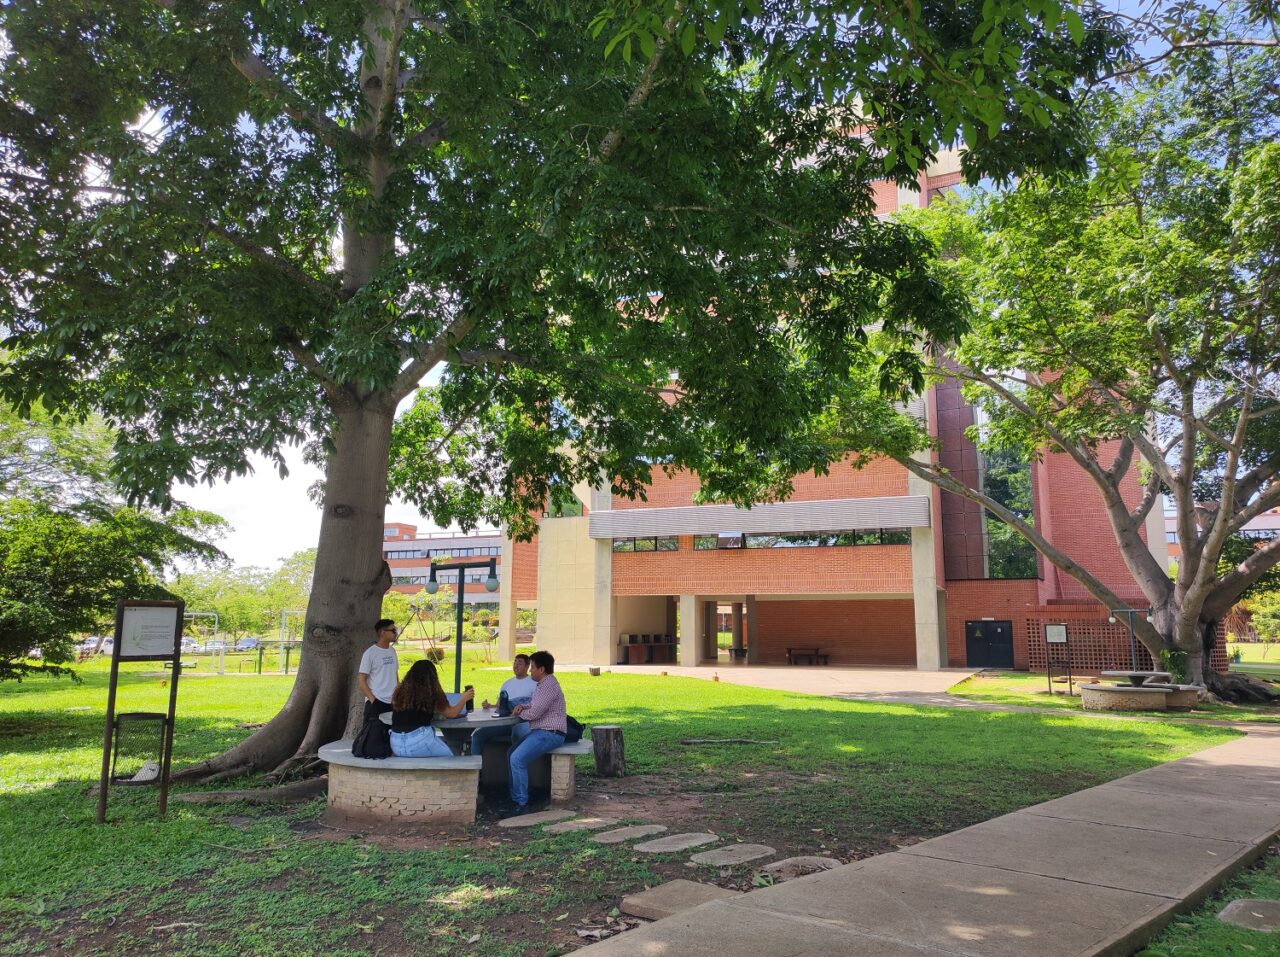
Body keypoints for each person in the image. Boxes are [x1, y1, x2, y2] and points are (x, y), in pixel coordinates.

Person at [506, 650, 566, 816]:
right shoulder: (544, 684)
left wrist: (519, 713)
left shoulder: (547, 686)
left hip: (550, 733)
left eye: (532, 667)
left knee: (517, 759)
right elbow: (534, 705)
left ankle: (521, 803)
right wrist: (523, 707)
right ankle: (515, 798)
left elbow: (535, 713)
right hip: (541, 731)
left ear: (542, 669)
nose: (530, 670)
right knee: (511, 753)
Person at [388, 659, 474, 757]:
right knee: (450, 759)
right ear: (433, 676)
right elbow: (451, 713)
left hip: (395, 741)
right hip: (419, 739)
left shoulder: (400, 691)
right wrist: (463, 698)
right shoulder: (432, 692)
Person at [468, 654, 536, 759]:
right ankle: (475, 770)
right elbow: (499, 705)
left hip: (522, 723)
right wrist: (489, 706)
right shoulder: (507, 684)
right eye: (515, 662)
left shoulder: (534, 683)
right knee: (478, 734)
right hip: (504, 722)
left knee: (518, 732)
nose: (516, 665)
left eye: (520, 663)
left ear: (527, 666)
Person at [357, 619, 400, 721]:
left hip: (393, 703)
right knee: (373, 735)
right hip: (376, 703)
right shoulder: (370, 653)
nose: (396, 633)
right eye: (393, 630)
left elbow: (395, 676)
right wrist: (374, 701)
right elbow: (361, 680)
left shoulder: (392, 651)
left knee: (390, 735)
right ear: (382, 632)